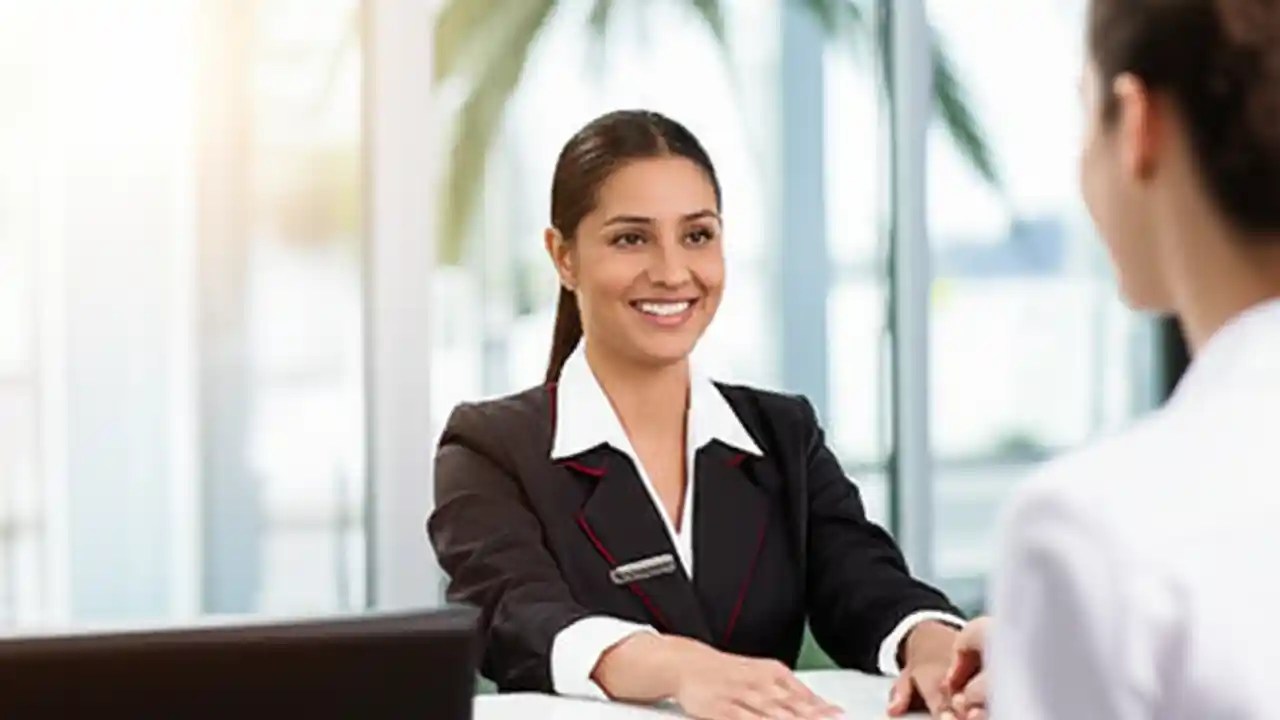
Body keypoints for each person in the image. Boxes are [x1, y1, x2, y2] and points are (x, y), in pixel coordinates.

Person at [428, 109, 965, 719]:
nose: (672, 271)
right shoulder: (491, 448)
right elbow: (513, 616)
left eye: (697, 235)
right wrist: (682, 669)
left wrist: (934, 645)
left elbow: (864, 583)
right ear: (564, 257)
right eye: (631, 238)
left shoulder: (781, 434)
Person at [944, 1, 1280, 718]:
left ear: (1138, 124)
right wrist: (1059, 650)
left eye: (1082, 110)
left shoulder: (1092, 529)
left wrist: (1089, 624)